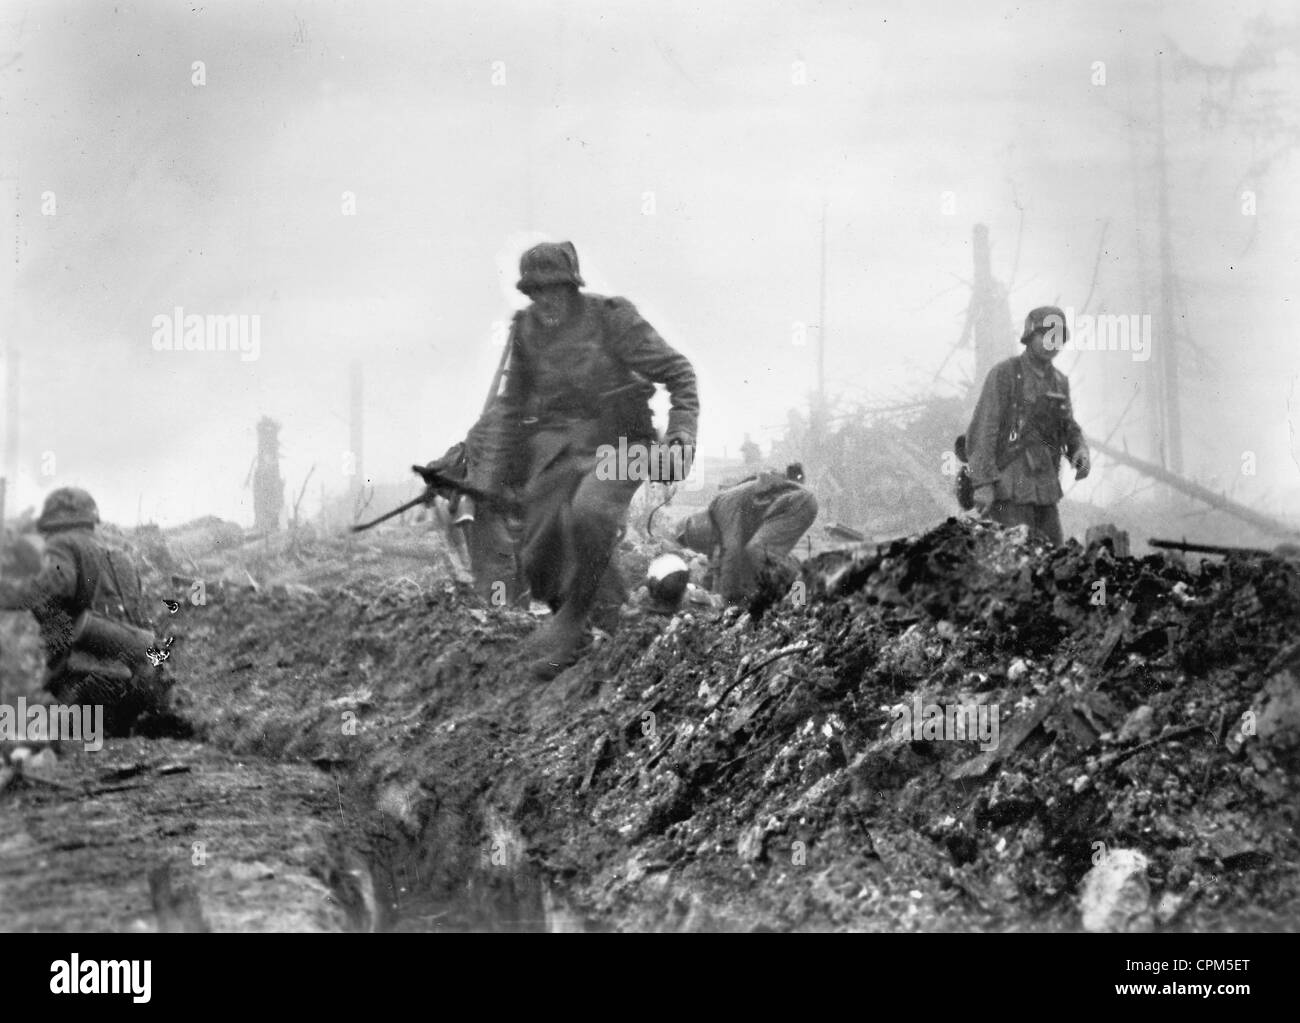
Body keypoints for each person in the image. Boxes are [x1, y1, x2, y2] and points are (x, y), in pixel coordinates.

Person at [467, 241, 699, 679]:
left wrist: (681, 436)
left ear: (572, 287)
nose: (546, 301)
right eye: (536, 292)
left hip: (624, 445)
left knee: (590, 512)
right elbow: (513, 406)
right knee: (538, 557)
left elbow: (679, 373)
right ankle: (603, 627)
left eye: (555, 289)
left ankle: (574, 625)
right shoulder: (526, 330)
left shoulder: (612, 319)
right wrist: (492, 482)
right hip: (558, 451)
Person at [0, 487, 168, 735]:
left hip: (87, 682)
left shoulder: (62, 544)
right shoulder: (121, 557)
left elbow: (54, 586)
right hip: (136, 681)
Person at [965, 306, 1090, 546]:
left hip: (1045, 488)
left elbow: (1068, 426)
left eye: (1057, 337)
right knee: (1013, 557)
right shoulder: (1005, 373)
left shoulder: (1059, 382)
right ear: (1030, 336)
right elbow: (984, 429)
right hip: (1008, 486)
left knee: (1054, 556)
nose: (1051, 342)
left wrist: (1079, 451)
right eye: (1045, 335)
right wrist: (982, 484)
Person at [676, 463, 817, 604]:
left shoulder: (722, 507)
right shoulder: (723, 522)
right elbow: (720, 563)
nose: (711, 546)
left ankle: (803, 585)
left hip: (797, 502)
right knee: (761, 553)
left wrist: (725, 599)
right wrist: (712, 592)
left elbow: (731, 552)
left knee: (758, 551)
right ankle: (797, 591)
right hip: (789, 506)